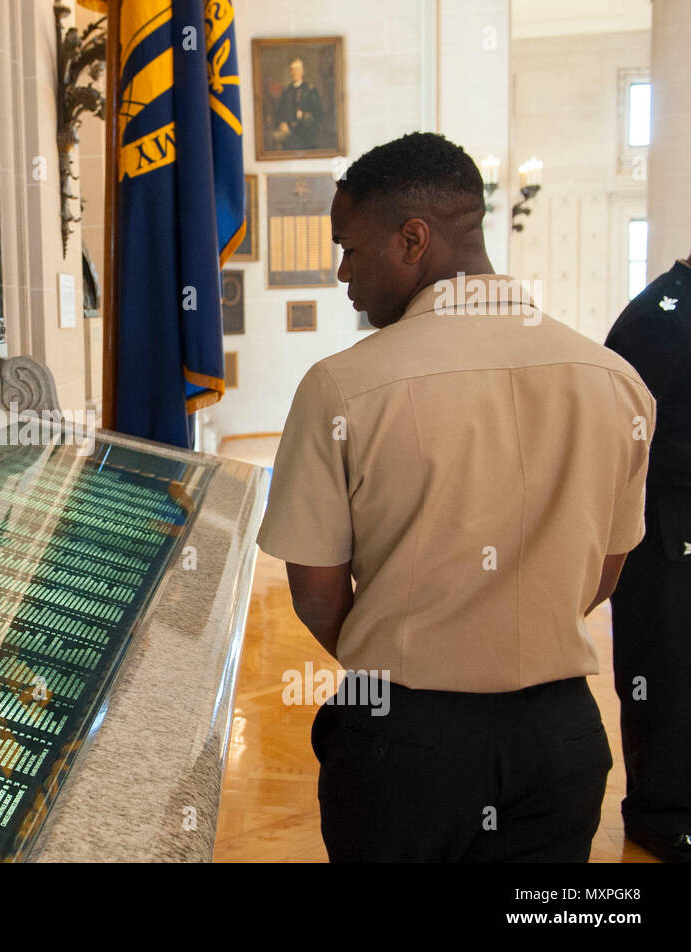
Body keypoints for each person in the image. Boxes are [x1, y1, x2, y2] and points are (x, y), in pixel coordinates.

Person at [257, 131, 654, 862]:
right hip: (560, 736)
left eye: (349, 246)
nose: (342, 272)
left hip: (404, 742)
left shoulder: (342, 386)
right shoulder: (613, 380)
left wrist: (413, 672)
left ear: (413, 240)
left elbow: (316, 597)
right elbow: (604, 573)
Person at [604, 256, 691, 863]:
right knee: (665, 677)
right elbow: (621, 432)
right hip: (666, 532)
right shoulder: (659, 314)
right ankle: (663, 819)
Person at [271, 58, 322, 152]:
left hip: (306, 134)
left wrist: (303, 115)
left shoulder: (310, 89)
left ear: (303, 71)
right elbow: (279, 112)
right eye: (292, 69)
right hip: (289, 135)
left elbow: (318, 113)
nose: (295, 72)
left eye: (297, 69)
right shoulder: (286, 90)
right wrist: (282, 123)